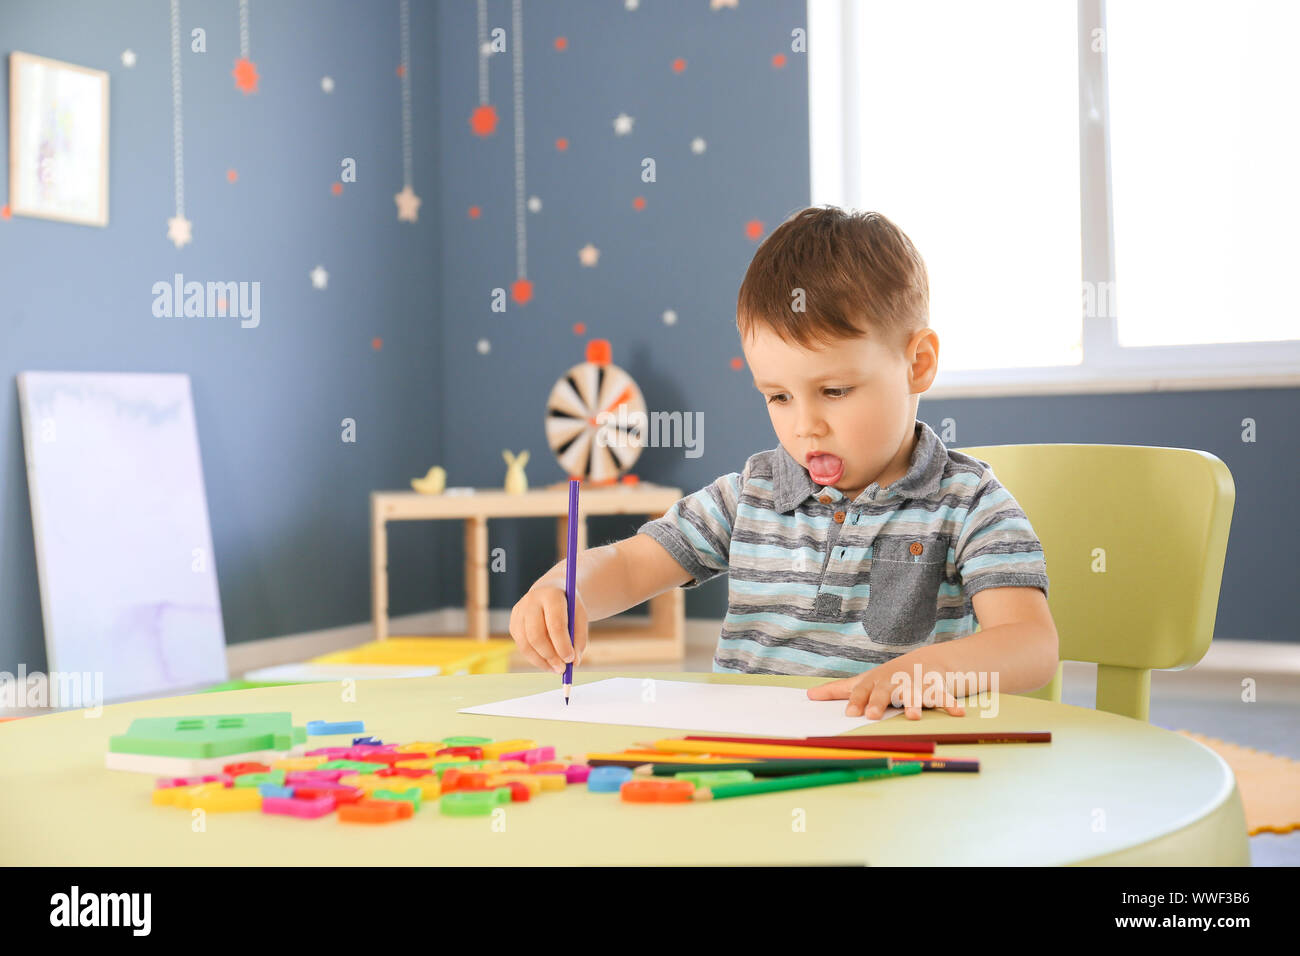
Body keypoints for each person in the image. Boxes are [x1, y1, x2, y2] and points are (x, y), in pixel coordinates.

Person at [509, 206, 1058, 720]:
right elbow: (631, 565)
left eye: (835, 391)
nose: (805, 426)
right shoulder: (751, 494)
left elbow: (1031, 645)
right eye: (778, 397)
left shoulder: (968, 503)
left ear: (918, 364)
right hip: (746, 759)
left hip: (891, 766)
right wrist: (563, 589)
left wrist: (928, 671)